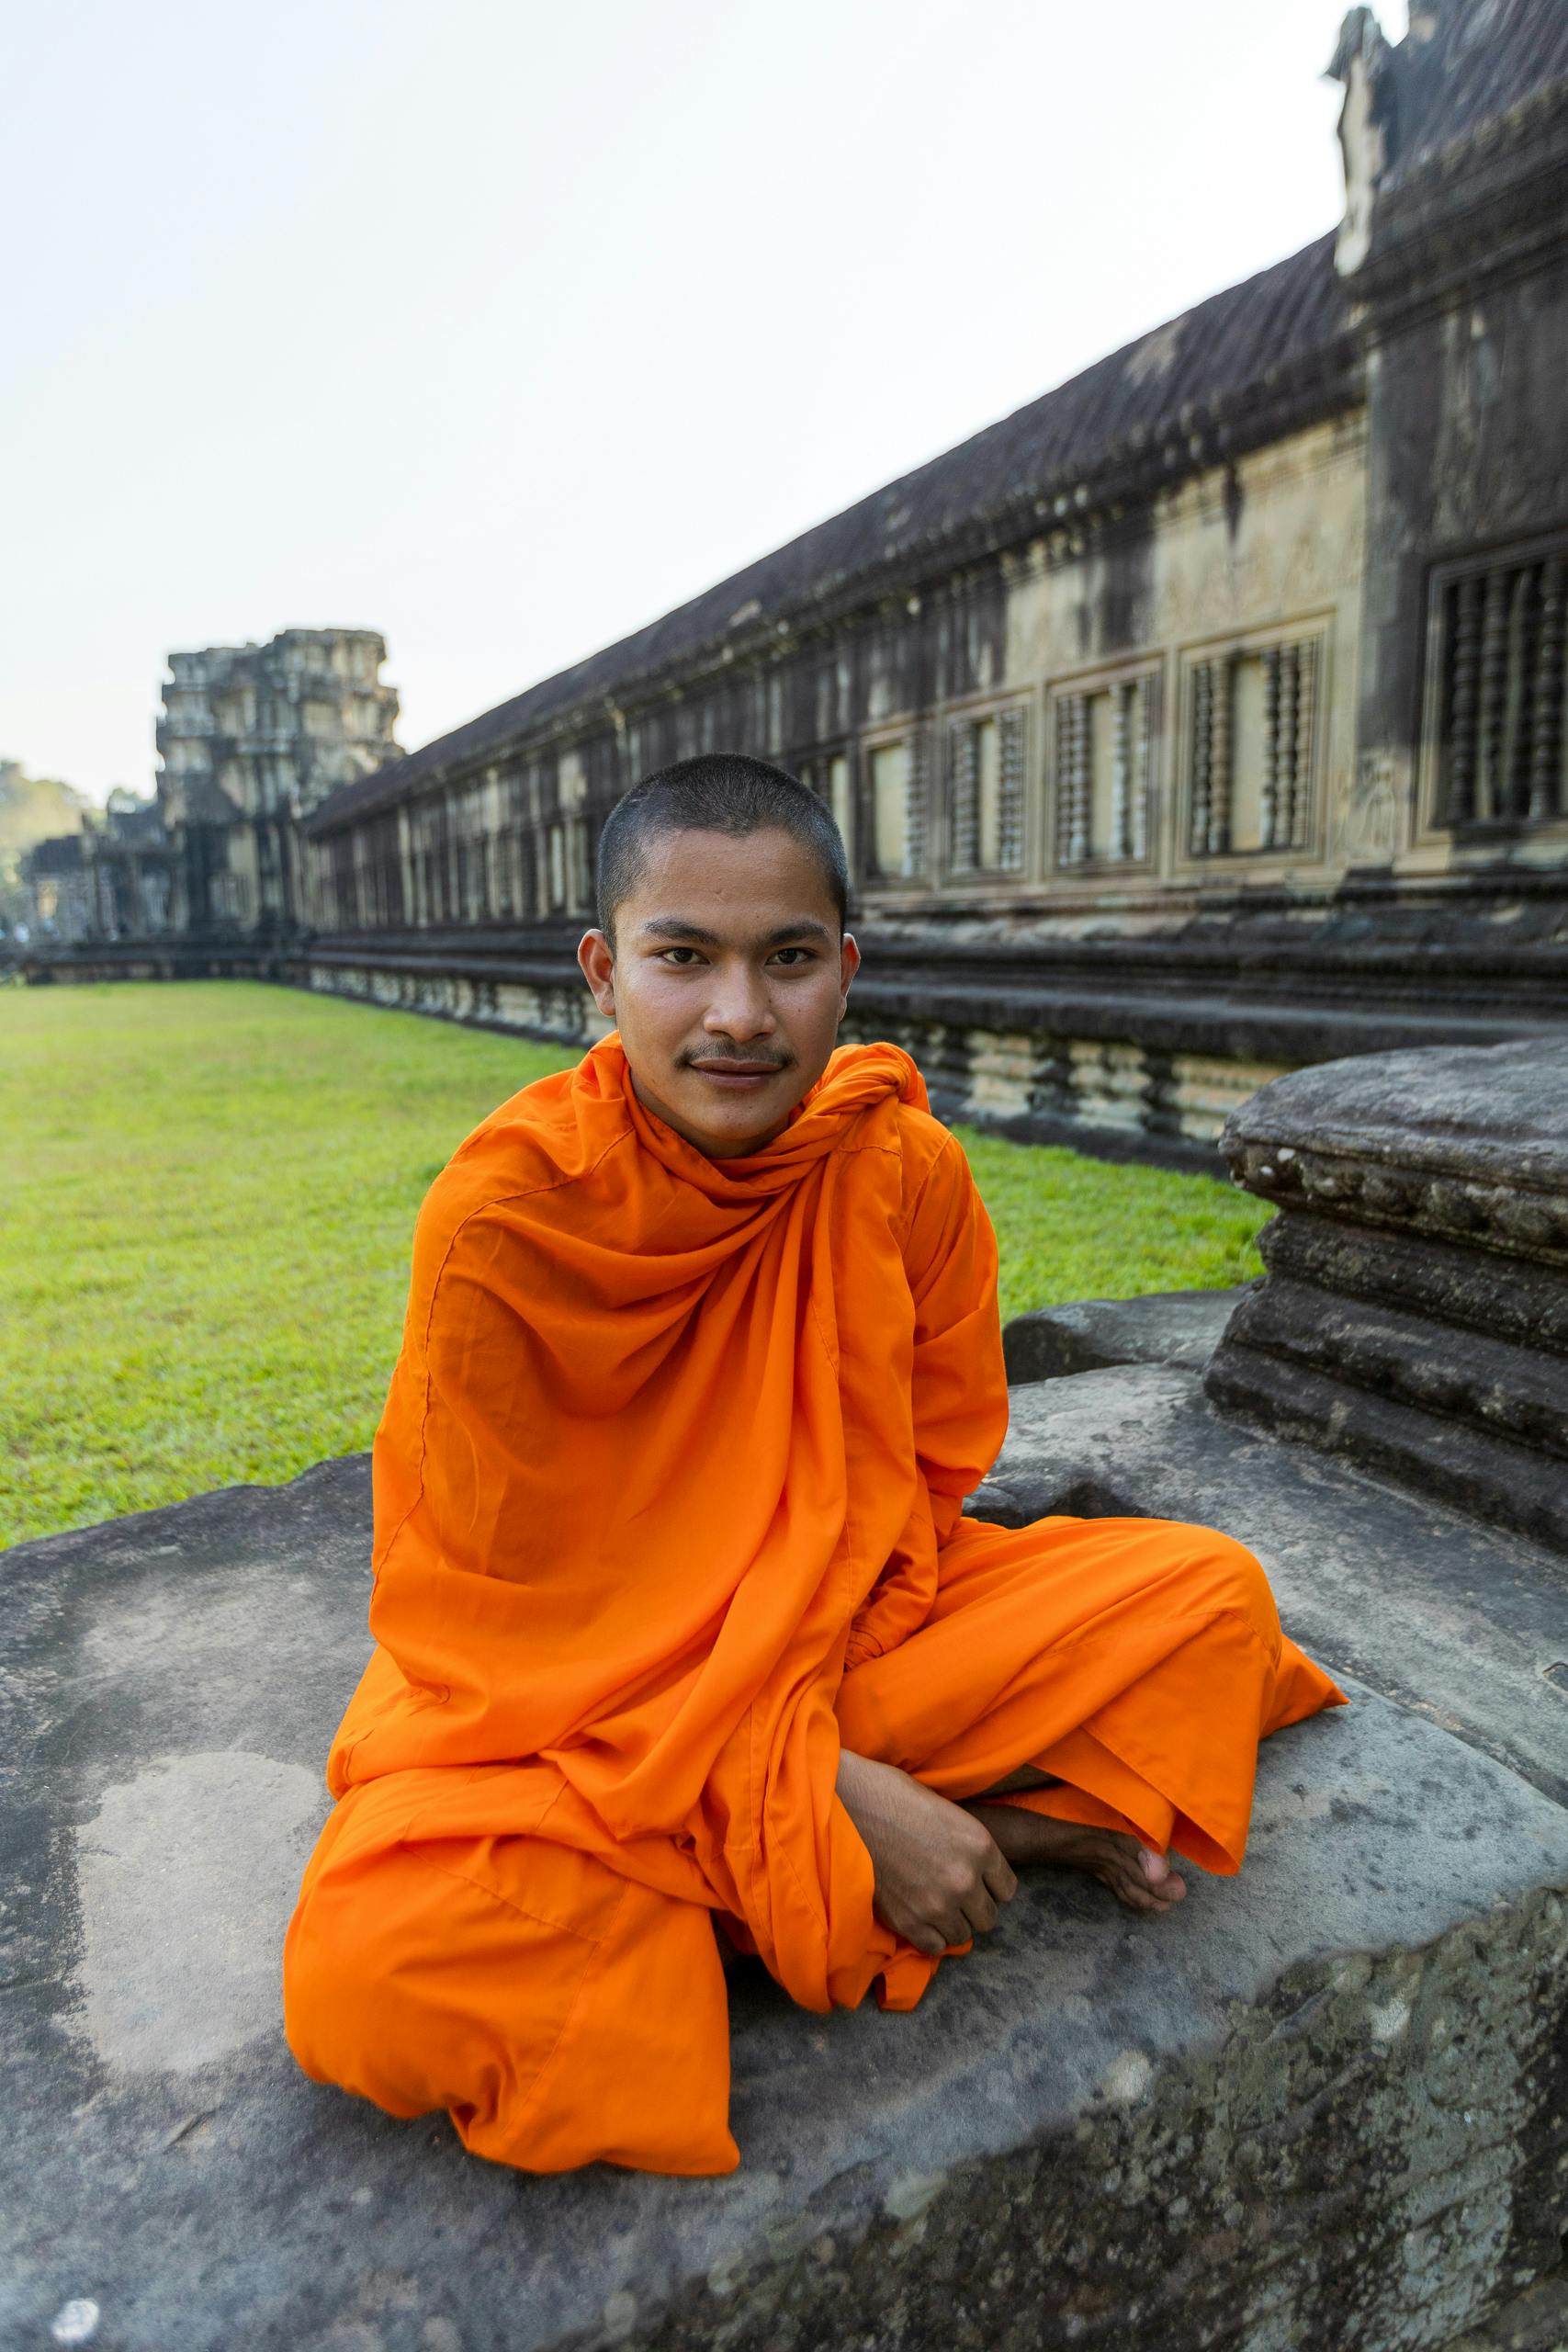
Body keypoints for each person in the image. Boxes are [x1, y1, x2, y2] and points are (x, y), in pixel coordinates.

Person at [283, 752, 1343, 2177]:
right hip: (563, 1702)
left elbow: (924, 1482)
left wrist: (802, 1712)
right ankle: (975, 1838)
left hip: (836, 1636)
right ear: (605, 975)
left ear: (845, 971)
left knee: (1207, 1599)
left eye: (786, 959)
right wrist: (831, 1786)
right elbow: (493, 1619)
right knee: (382, 1963)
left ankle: (758, 1888)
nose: (738, 1014)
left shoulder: (899, 1170)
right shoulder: (508, 1222)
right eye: (683, 958)